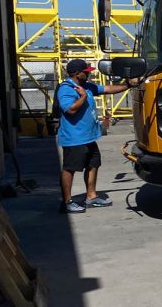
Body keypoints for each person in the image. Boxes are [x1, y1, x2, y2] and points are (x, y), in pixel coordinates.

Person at [56, 58, 140, 213]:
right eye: (85, 72)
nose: (88, 75)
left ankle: (91, 196)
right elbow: (70, 110)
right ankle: (67, 202)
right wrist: (81, 97)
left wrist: (128, 85)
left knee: (93, 164)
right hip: (75, 138)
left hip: (89, 136)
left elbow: (107, 89)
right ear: (76, 73)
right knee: (70, 168)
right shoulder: (66, 89)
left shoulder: (86, 86)